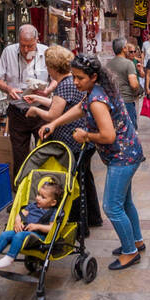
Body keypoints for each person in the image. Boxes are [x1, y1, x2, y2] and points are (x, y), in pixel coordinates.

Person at [39, 55, 146, 269]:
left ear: (93, 76)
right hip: (129, 152)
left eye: (79, 78)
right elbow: (79, 108)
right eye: (74, 77)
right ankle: (136, 241)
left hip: (122, 157)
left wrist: (85, 135)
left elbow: (108, 136)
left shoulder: (97, 100)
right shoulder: (95, 90)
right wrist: (56, 123)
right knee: (125, 202)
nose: (75, 82)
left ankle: (130, 252)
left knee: (112, 206)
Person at [25, 45, 101, 227]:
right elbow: (61, 104)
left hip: (72, 141)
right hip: (82, 140)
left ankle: (79, 222)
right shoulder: (72, 82)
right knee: (85, 178)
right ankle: (93, 217)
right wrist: (38, 99)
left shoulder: (65, 84)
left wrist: (36, 111)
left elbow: (54, 114)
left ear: (52, 67)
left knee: (75, 182)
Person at [0, 24, 53, 186]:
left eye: (30, 45)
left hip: (41, 111)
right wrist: (9, 88)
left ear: (37, 40)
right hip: (18, 111)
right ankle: (20, 192)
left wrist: (48, 90)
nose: (26, 49)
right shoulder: (8, 52)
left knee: (44, 150)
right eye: (23, 45)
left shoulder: (46, 52)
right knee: (19, 154)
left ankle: (45, 193)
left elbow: (55, 79)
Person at [0, 177, 60, 270]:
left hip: (38, 236)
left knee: (19, 236)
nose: (38, 198)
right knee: (6, 234)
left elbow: (51, 228)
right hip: (24, 230)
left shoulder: (53, 212)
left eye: (43, 197)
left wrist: (37, 226)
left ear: (53, 202)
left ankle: (10, 257)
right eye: (38, 194)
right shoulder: (33, 206)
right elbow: (21, 214)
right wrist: (17, 222)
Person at [106, 37, 143, 128]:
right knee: (130, 129)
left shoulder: (108, 64)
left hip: (113, 101)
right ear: (123, 49)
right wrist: (139, 90)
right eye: (126, 47)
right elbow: (134, 85)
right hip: (127, 100)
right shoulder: (128, 63)